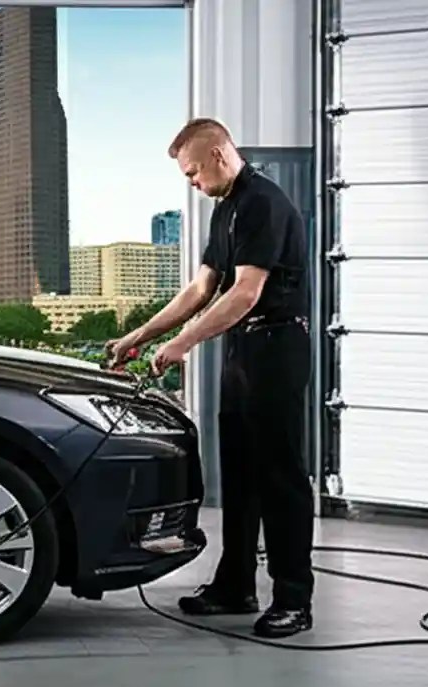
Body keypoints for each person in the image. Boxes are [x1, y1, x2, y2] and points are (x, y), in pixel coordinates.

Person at [106, 117, 314, 638]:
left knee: (281, 479)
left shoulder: (263, 203)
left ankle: (294, 598)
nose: (191, 182)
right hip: (242, 350)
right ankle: (235, 586)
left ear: (220, 154)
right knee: (240, 476)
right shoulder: (225, 209)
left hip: (277, 347)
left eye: (194, 170)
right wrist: (142, 335)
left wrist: (183, 344)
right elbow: (201, 289)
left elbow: (246, 293)